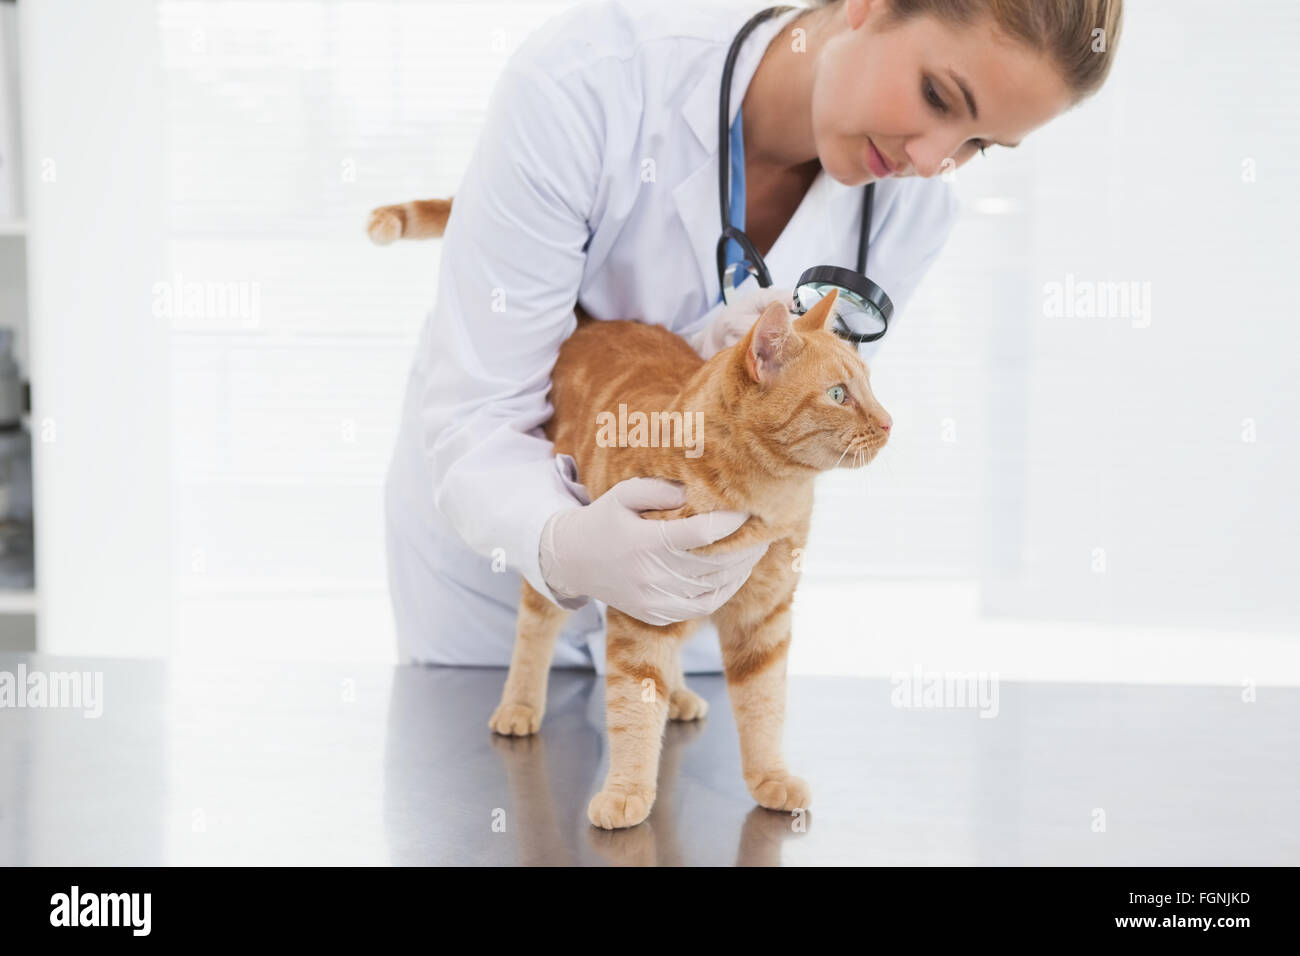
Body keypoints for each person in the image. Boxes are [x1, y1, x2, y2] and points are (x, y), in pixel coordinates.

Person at [383, 0, 1123, 672]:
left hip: (700, 602)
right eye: (937, 97)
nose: (931, 162)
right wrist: (560, 546)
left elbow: (806, 437)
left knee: (680, 812)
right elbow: (482, 413)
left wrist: (723, 379)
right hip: (495, 588)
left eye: (980, 145)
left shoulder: (913, 214)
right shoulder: (588, 84)